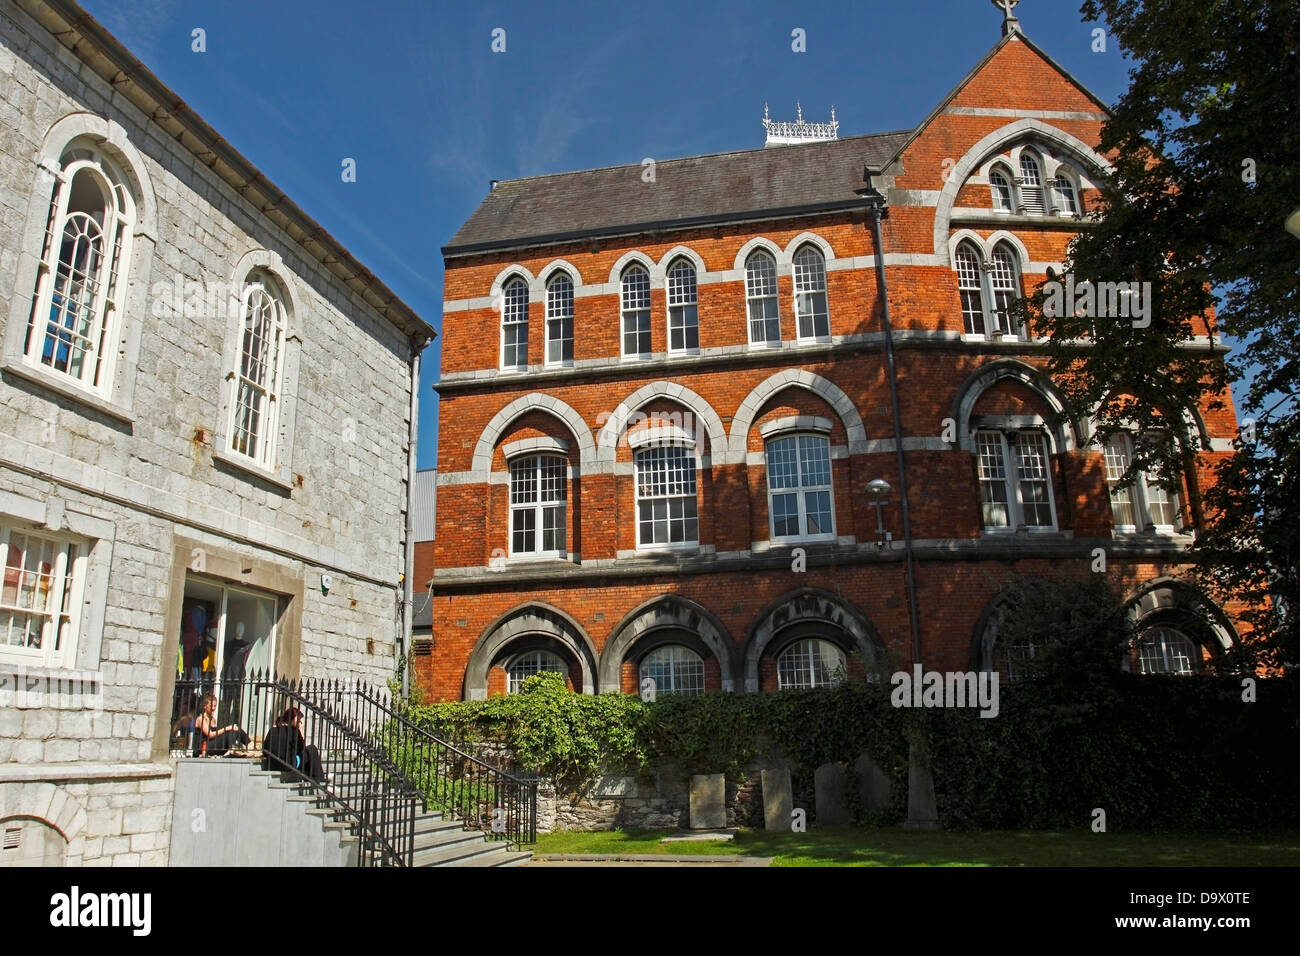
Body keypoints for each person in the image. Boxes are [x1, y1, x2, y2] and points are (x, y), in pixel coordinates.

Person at [261, 706, 326, 785]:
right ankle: (319, 779)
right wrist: (301, 730)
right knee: (312, 749)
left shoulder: (273, 729)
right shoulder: (294, 731)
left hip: (273, 764)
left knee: (307, 755)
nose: (300, 722)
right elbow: (301, 748)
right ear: (291, 719)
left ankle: (313, 777)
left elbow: (265, 749)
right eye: (298, 720)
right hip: (289, 765)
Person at [192, 692, 249, 756]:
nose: (213, 708)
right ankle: (232, 749)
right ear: (205, 706)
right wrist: (226, 728)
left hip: (213, 745)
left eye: (215, 706)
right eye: (211, 706)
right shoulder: (201, 719)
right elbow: (210, 734)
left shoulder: (213, 719)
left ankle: (249, 744)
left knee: (234, 729)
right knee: (229, 730)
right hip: (204, 747)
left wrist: (229, 729)